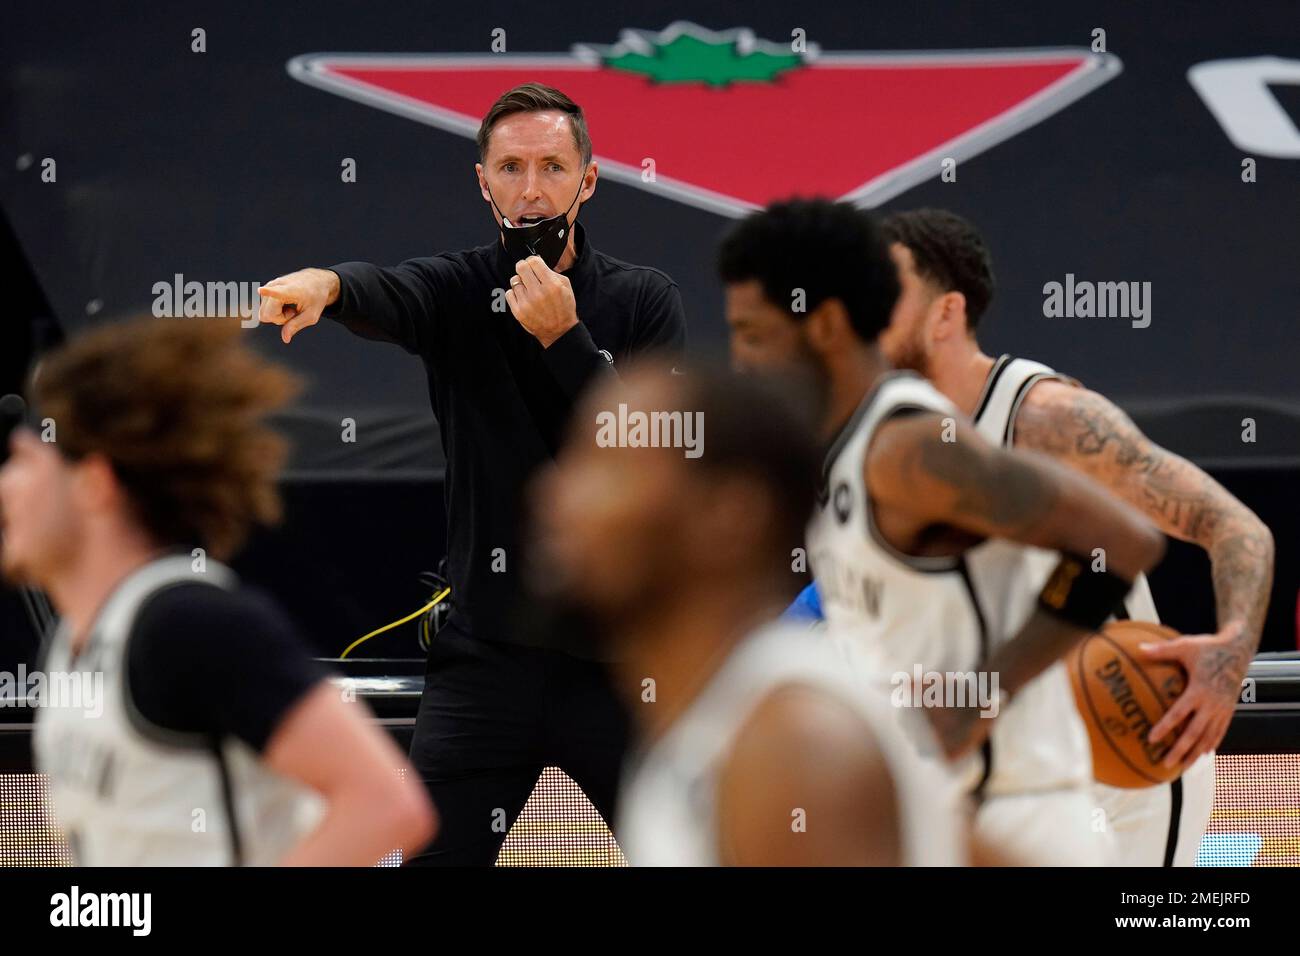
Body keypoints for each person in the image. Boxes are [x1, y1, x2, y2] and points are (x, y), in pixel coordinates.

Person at [256, 82, 685, 864]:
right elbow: (386, 290)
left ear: (588, 180)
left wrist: (567, 342)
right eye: (511, 167)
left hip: (621, 664)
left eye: (553, 166)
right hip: (485, 661)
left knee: (694, 851)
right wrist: (324, 283)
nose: (531, 188)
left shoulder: (642, 299)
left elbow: (653, 445)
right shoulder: (456, 290)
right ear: (481, 181)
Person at [719, 198, 1166, 865]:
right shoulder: (839, 453)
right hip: (939, 815)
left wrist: (989, 689)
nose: (742, 359)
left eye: (757, 334)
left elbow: (1123, 540)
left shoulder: (907, 446)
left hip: (1020, 809)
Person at [877, 207, 1275, 865]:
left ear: (945, 314)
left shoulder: (1049, 419)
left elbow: (1237, 527)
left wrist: (1228, 660)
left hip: (1127, 753)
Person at [0, 316, 435, 865]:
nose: (5, 486)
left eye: (23, 463)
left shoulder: (185, 622)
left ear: (94, 485)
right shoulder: (74, 635)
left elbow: (388, 807)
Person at [531, 364, 967, 865]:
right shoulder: (721, 717)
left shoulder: (795, 743)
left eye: (608, 468)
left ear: (729, 515)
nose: (554, 494)